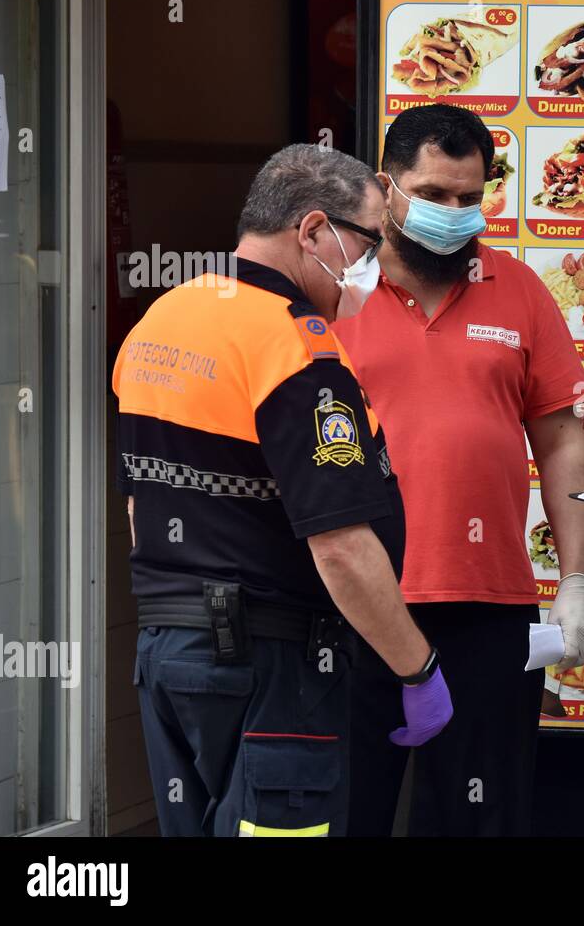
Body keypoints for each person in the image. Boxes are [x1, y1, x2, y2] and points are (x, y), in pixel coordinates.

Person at [115, 143, 451, 837]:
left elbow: (137, 505)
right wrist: (415, 669)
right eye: (367, 242)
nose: (374, 266)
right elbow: (340, 544)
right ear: (312, 231)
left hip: (168, 654)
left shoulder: (164, 318)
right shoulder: (296, 349)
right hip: (270, 663)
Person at [333, 105, 584, 837]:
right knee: (343, 812)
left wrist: (577, 582)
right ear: (386, 187)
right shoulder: (333, 293)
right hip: (351, 597)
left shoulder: (516, 288)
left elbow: (561, 439)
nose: (454, 213)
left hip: (487, 607)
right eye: (434, 194)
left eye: (468, 197)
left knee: (480, 819)